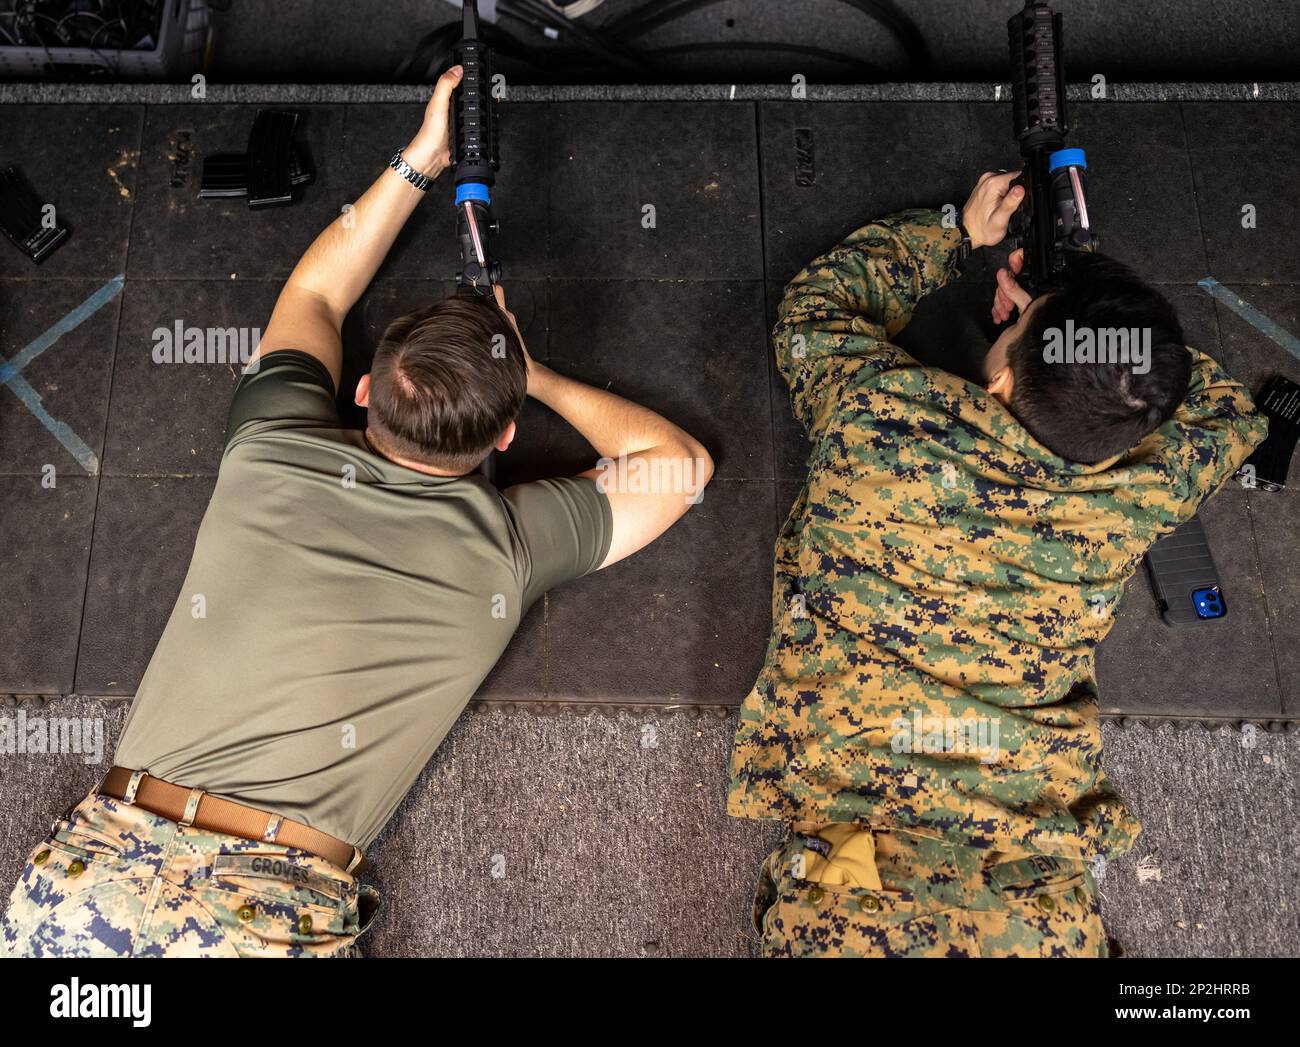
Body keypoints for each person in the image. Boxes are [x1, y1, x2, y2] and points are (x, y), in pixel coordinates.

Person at [1, 66, 712, 958]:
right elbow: (679, 467)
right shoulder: (507, 549)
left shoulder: (272, 442)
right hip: (250, 912)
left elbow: (315, 297)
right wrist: (533, 372)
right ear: (504, 439)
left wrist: (423, 156)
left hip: (92, 879)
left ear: (366, 389)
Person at [730, 170, 1267, 957]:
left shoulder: (883, 412)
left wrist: (961, 239)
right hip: (860, 896)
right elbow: (1216, 407)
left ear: (1002, 377)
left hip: (1024, 897)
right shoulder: (1140, 491)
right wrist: (1087, 355)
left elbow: (813, 313)